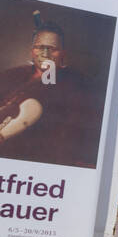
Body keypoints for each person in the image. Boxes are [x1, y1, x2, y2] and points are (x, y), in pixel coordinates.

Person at [0, 15, 101, 168]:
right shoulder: (10, 76)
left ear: (62, 54)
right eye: (40, 47)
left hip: (40, 167)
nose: (45, 54)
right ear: (31, 51)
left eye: (52, 49)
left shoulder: (77, 85)